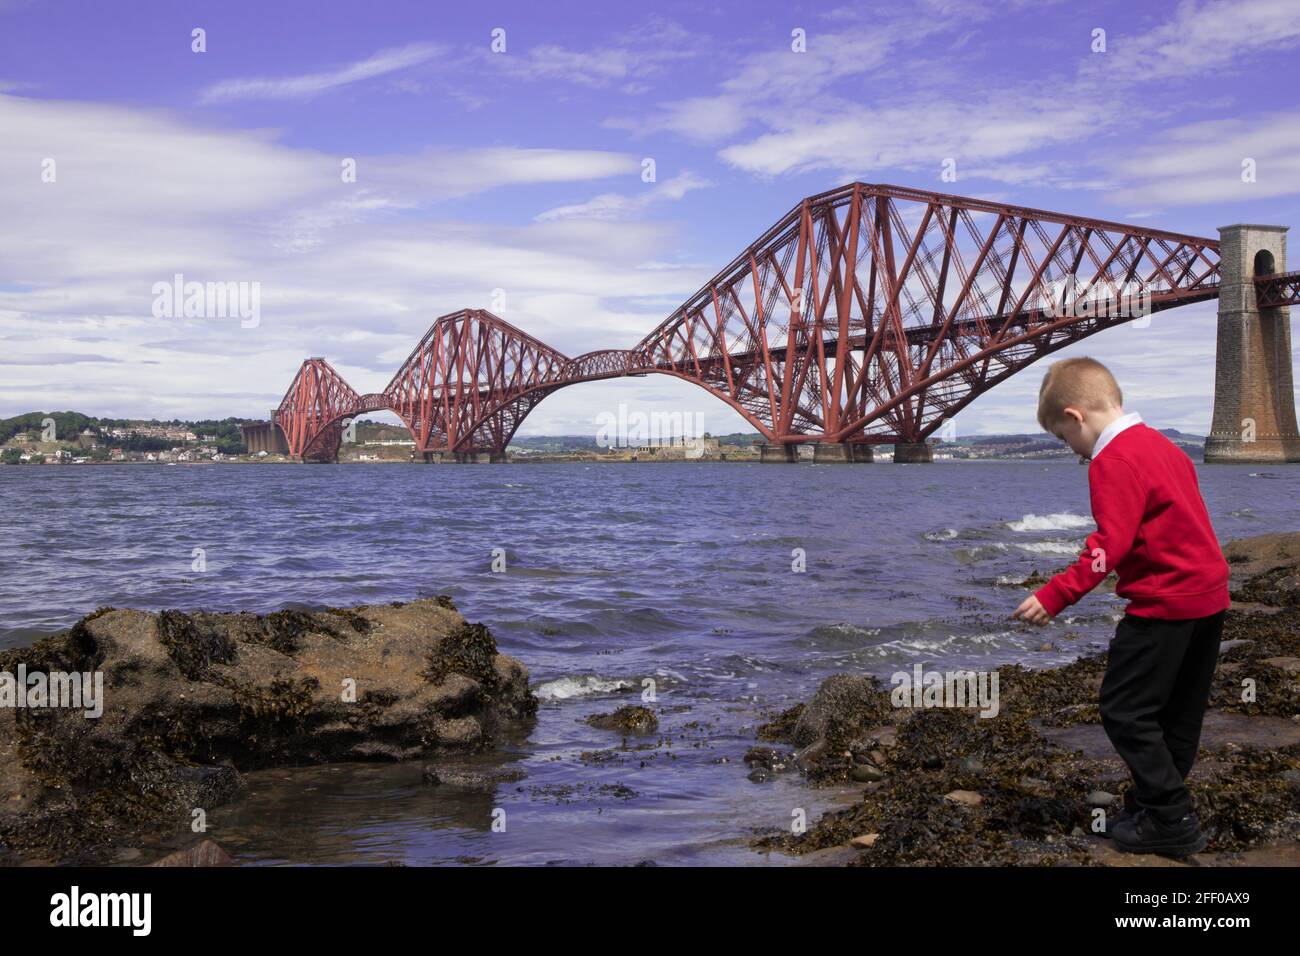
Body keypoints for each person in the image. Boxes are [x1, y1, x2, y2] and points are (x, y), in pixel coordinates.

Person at [1012, 356, 1229, 856]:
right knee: (1178, 714)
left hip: (1163, 604)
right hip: (1208, 597)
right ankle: (1155, 809)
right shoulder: (1166, 447)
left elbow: (1112, 544)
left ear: (1076, 417)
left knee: (1125, 709)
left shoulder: (1113, 460)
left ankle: (1171, 816)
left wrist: (1055, 595)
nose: (1076, 454)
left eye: (1066, 440)